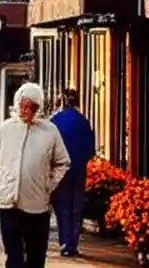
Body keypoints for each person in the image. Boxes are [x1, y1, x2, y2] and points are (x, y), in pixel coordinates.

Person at [0, 83, 70, 268]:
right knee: (13, 257)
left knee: (35, 258)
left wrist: (49, 183)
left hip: (37, 205)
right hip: (8, 202)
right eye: (23, 105)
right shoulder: (4, 130)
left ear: (38, 108)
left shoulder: (50, 132)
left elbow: (63, 162)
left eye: (31, 107)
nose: (26, 111)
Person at [49, 88, 95, 257]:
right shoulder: (83, 121)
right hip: (78, 168)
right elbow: (90, 149)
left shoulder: (55, 121)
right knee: (76, 206)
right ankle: (73, 242)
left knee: (62, 206)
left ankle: (65, 241)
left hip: (61, 170)